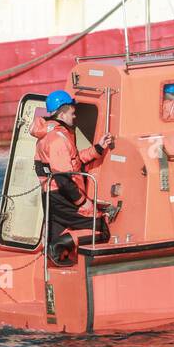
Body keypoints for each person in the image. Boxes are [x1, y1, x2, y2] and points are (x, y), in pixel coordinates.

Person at [33, 89, 117, 266]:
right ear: (62, 111)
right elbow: (63, 178)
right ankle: (57, 246)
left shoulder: (52, 134)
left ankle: (54, 255)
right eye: (72, 111)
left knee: (55, 233)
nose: (75, 115)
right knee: (101, 229)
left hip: (52, 195)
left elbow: (74, 162)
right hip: (63, 196)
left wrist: (98, 149)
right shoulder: (57, 138)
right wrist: (82, 201)